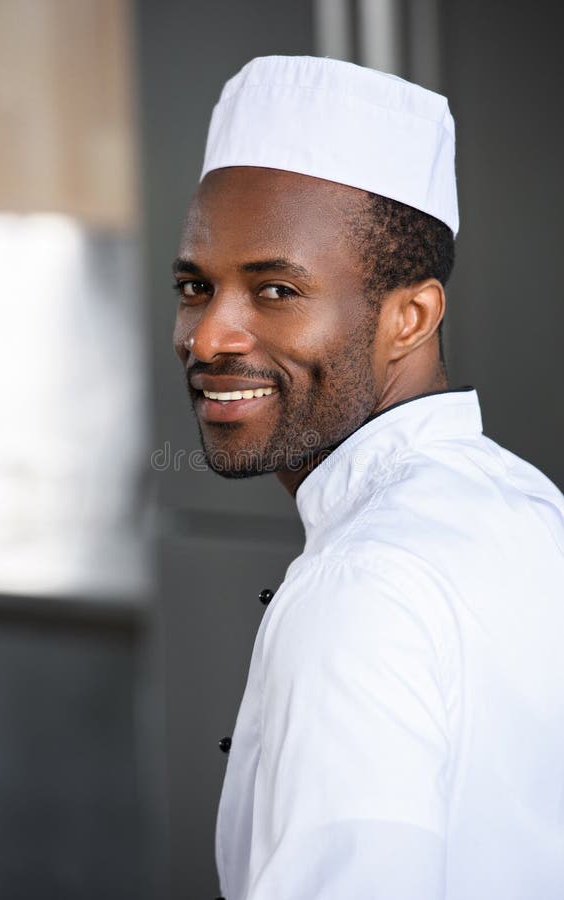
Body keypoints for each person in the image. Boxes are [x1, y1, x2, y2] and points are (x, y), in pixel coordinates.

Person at [172, 56, 564, 900]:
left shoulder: (361, 586)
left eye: (275, 289)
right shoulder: (529, 508)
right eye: (195, 286)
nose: (208, 338)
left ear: (409, 318)